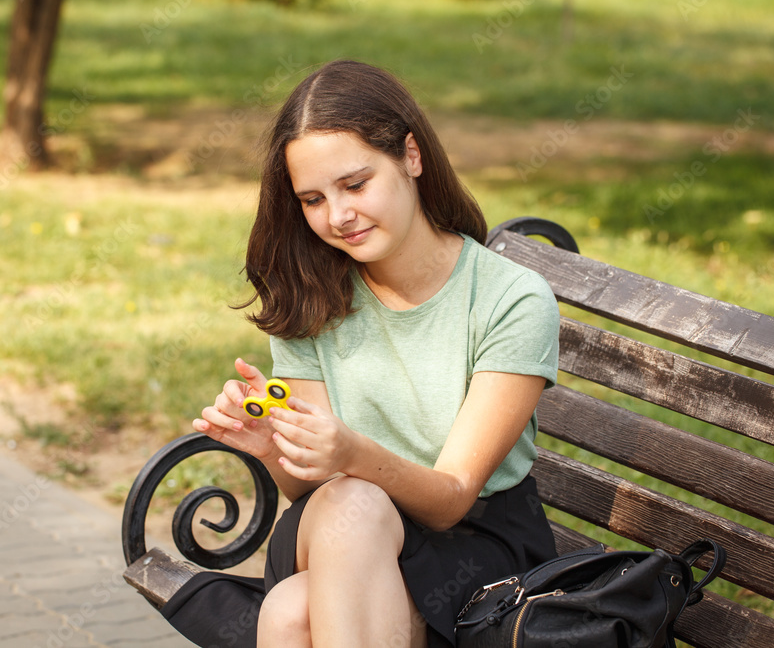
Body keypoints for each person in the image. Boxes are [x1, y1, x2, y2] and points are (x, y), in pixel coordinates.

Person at [191, 60, 560, 648]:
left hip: (474, 547)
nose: (338, 217)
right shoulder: (307, 291)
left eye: (355, 184)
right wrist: (278, 451)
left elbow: (451, 498)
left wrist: (349, 451)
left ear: (411, 156)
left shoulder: (508, 300)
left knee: (291, 613)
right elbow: (311, 487)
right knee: (353, 506)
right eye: (313, 199)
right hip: (336, 522)